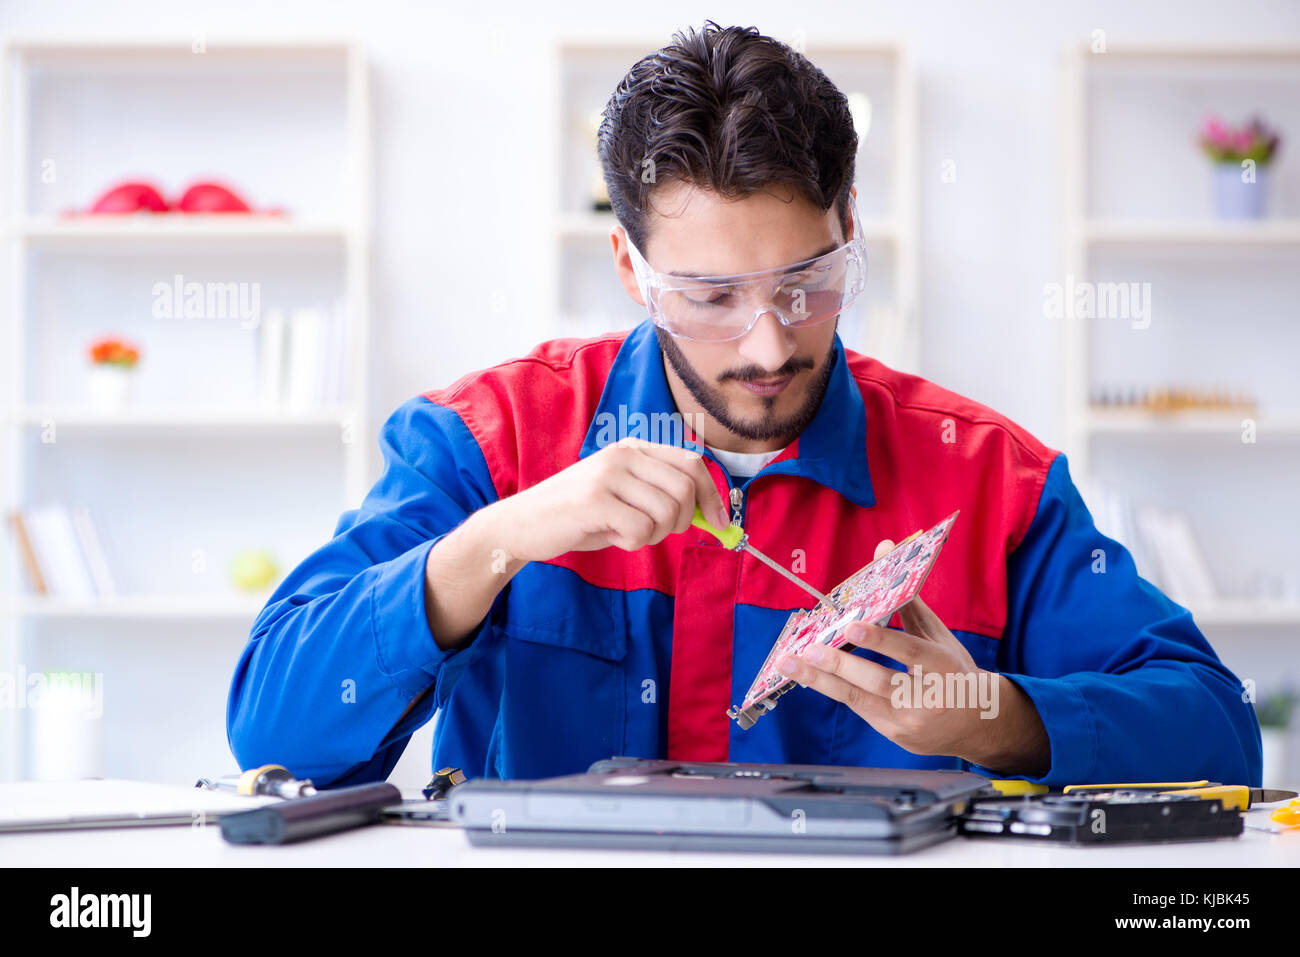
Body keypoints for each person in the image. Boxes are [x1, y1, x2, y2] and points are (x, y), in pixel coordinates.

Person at [227, 21, 1261, 789]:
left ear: (850, 223)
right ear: (629, 264)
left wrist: (988, 716)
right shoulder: (483, 445)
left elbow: (1217, 730)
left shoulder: (995, 481)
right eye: (710, 298)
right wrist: (497, 540)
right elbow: (272, 727)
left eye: (806, 282)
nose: (767, 343)